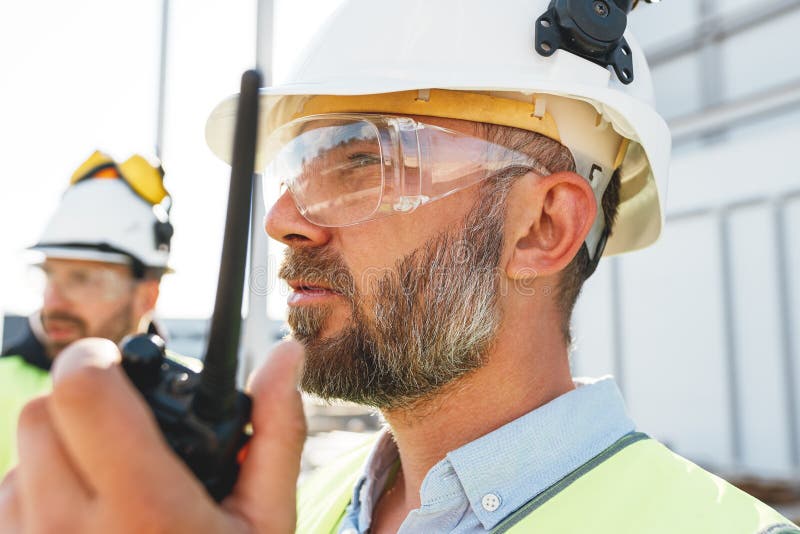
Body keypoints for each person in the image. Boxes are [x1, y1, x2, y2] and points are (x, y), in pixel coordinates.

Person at [0, 1, 797, 532]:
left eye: (354, 162)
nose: (282, 220)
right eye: (292, 169)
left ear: (542, 226)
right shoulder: (288, 501)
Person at [0, 151, 178, 476]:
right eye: (49, 276)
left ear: (147, 295)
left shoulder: (195, 407)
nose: (52, 303)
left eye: (81, 279)